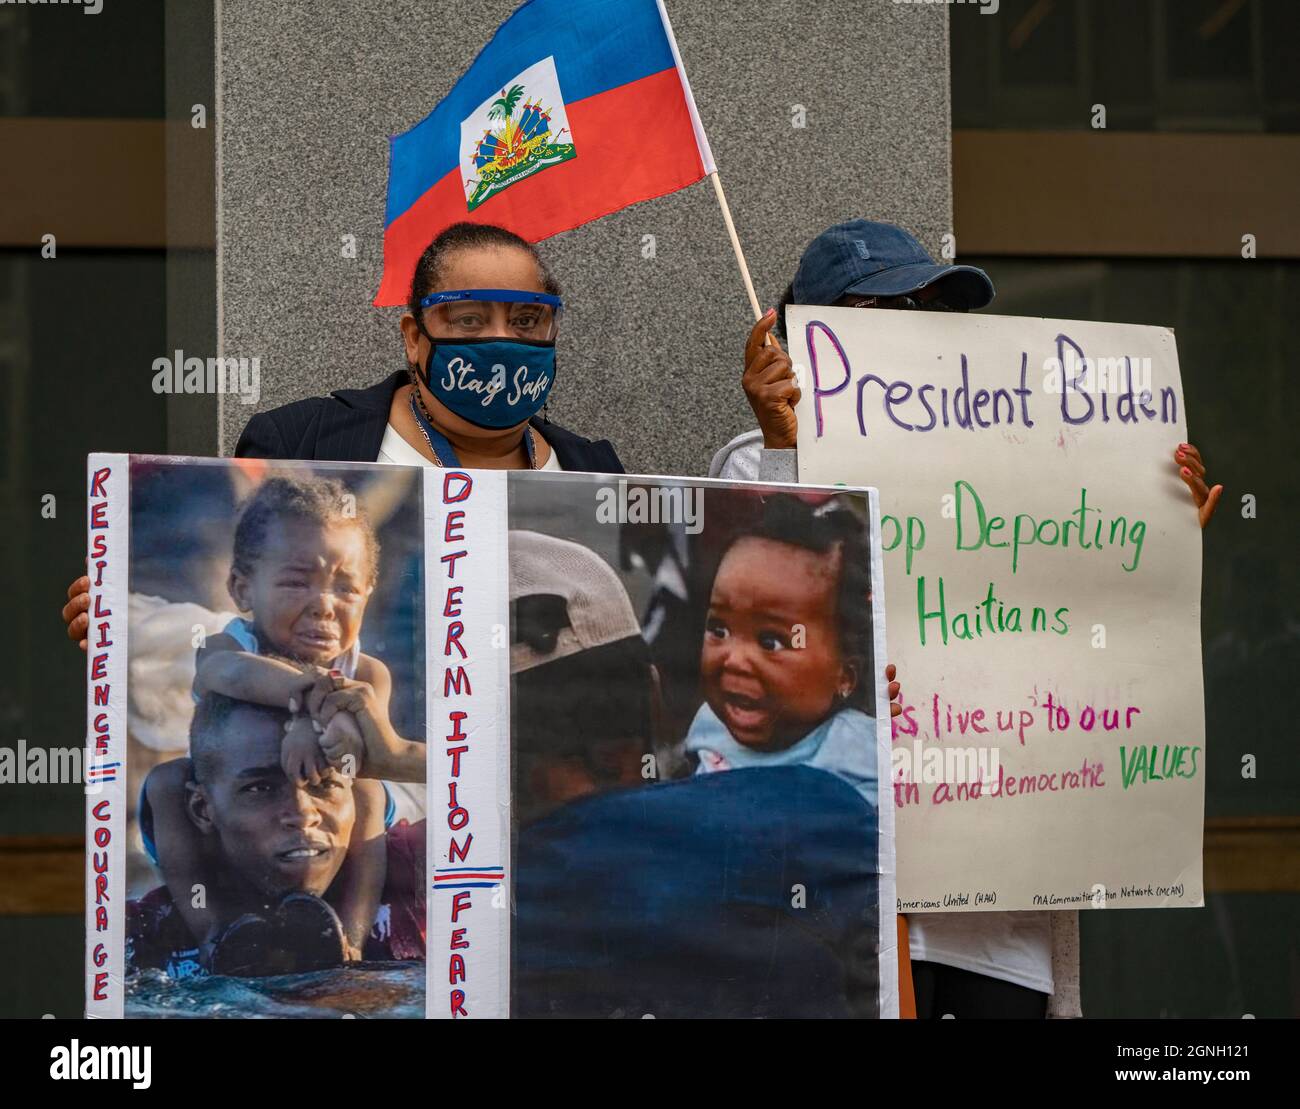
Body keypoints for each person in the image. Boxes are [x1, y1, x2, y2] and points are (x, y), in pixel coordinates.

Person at [710, 218, 1224, 1020]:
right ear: (802, 334)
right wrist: (787, 442)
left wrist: (1158, 543)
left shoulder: (1031, 464)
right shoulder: (754, 458)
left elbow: (1082, 622)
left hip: (1003, 923)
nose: (917, 328)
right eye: (887, 309)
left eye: (932, 308)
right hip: (851, 909)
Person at [140, 475, 397, 969]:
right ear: (241, 589)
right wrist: (305, 701)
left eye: (346, 588)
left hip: (329, 813)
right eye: (297, 581)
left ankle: (351, 936)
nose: (324, 603)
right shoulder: (224, 647)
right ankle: (214, 932)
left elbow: (360, 751)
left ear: (368, 593)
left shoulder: (367, 673)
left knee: (368, 790)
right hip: (227, 812)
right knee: (166, 782)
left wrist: (325, 727)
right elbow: (229, 674)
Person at [128, 693, 425, 980]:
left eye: (325, 784)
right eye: (261, 789)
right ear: (203, 809)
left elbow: (470, 782)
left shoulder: (414, 873)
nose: (303, 814)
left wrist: (401, 759)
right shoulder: (145, 932)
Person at [685, 493, 880, 805]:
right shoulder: (709, 727)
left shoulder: (859, 755)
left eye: (770, 642)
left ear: (844, 675)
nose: (734, 660)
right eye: (719, 629)